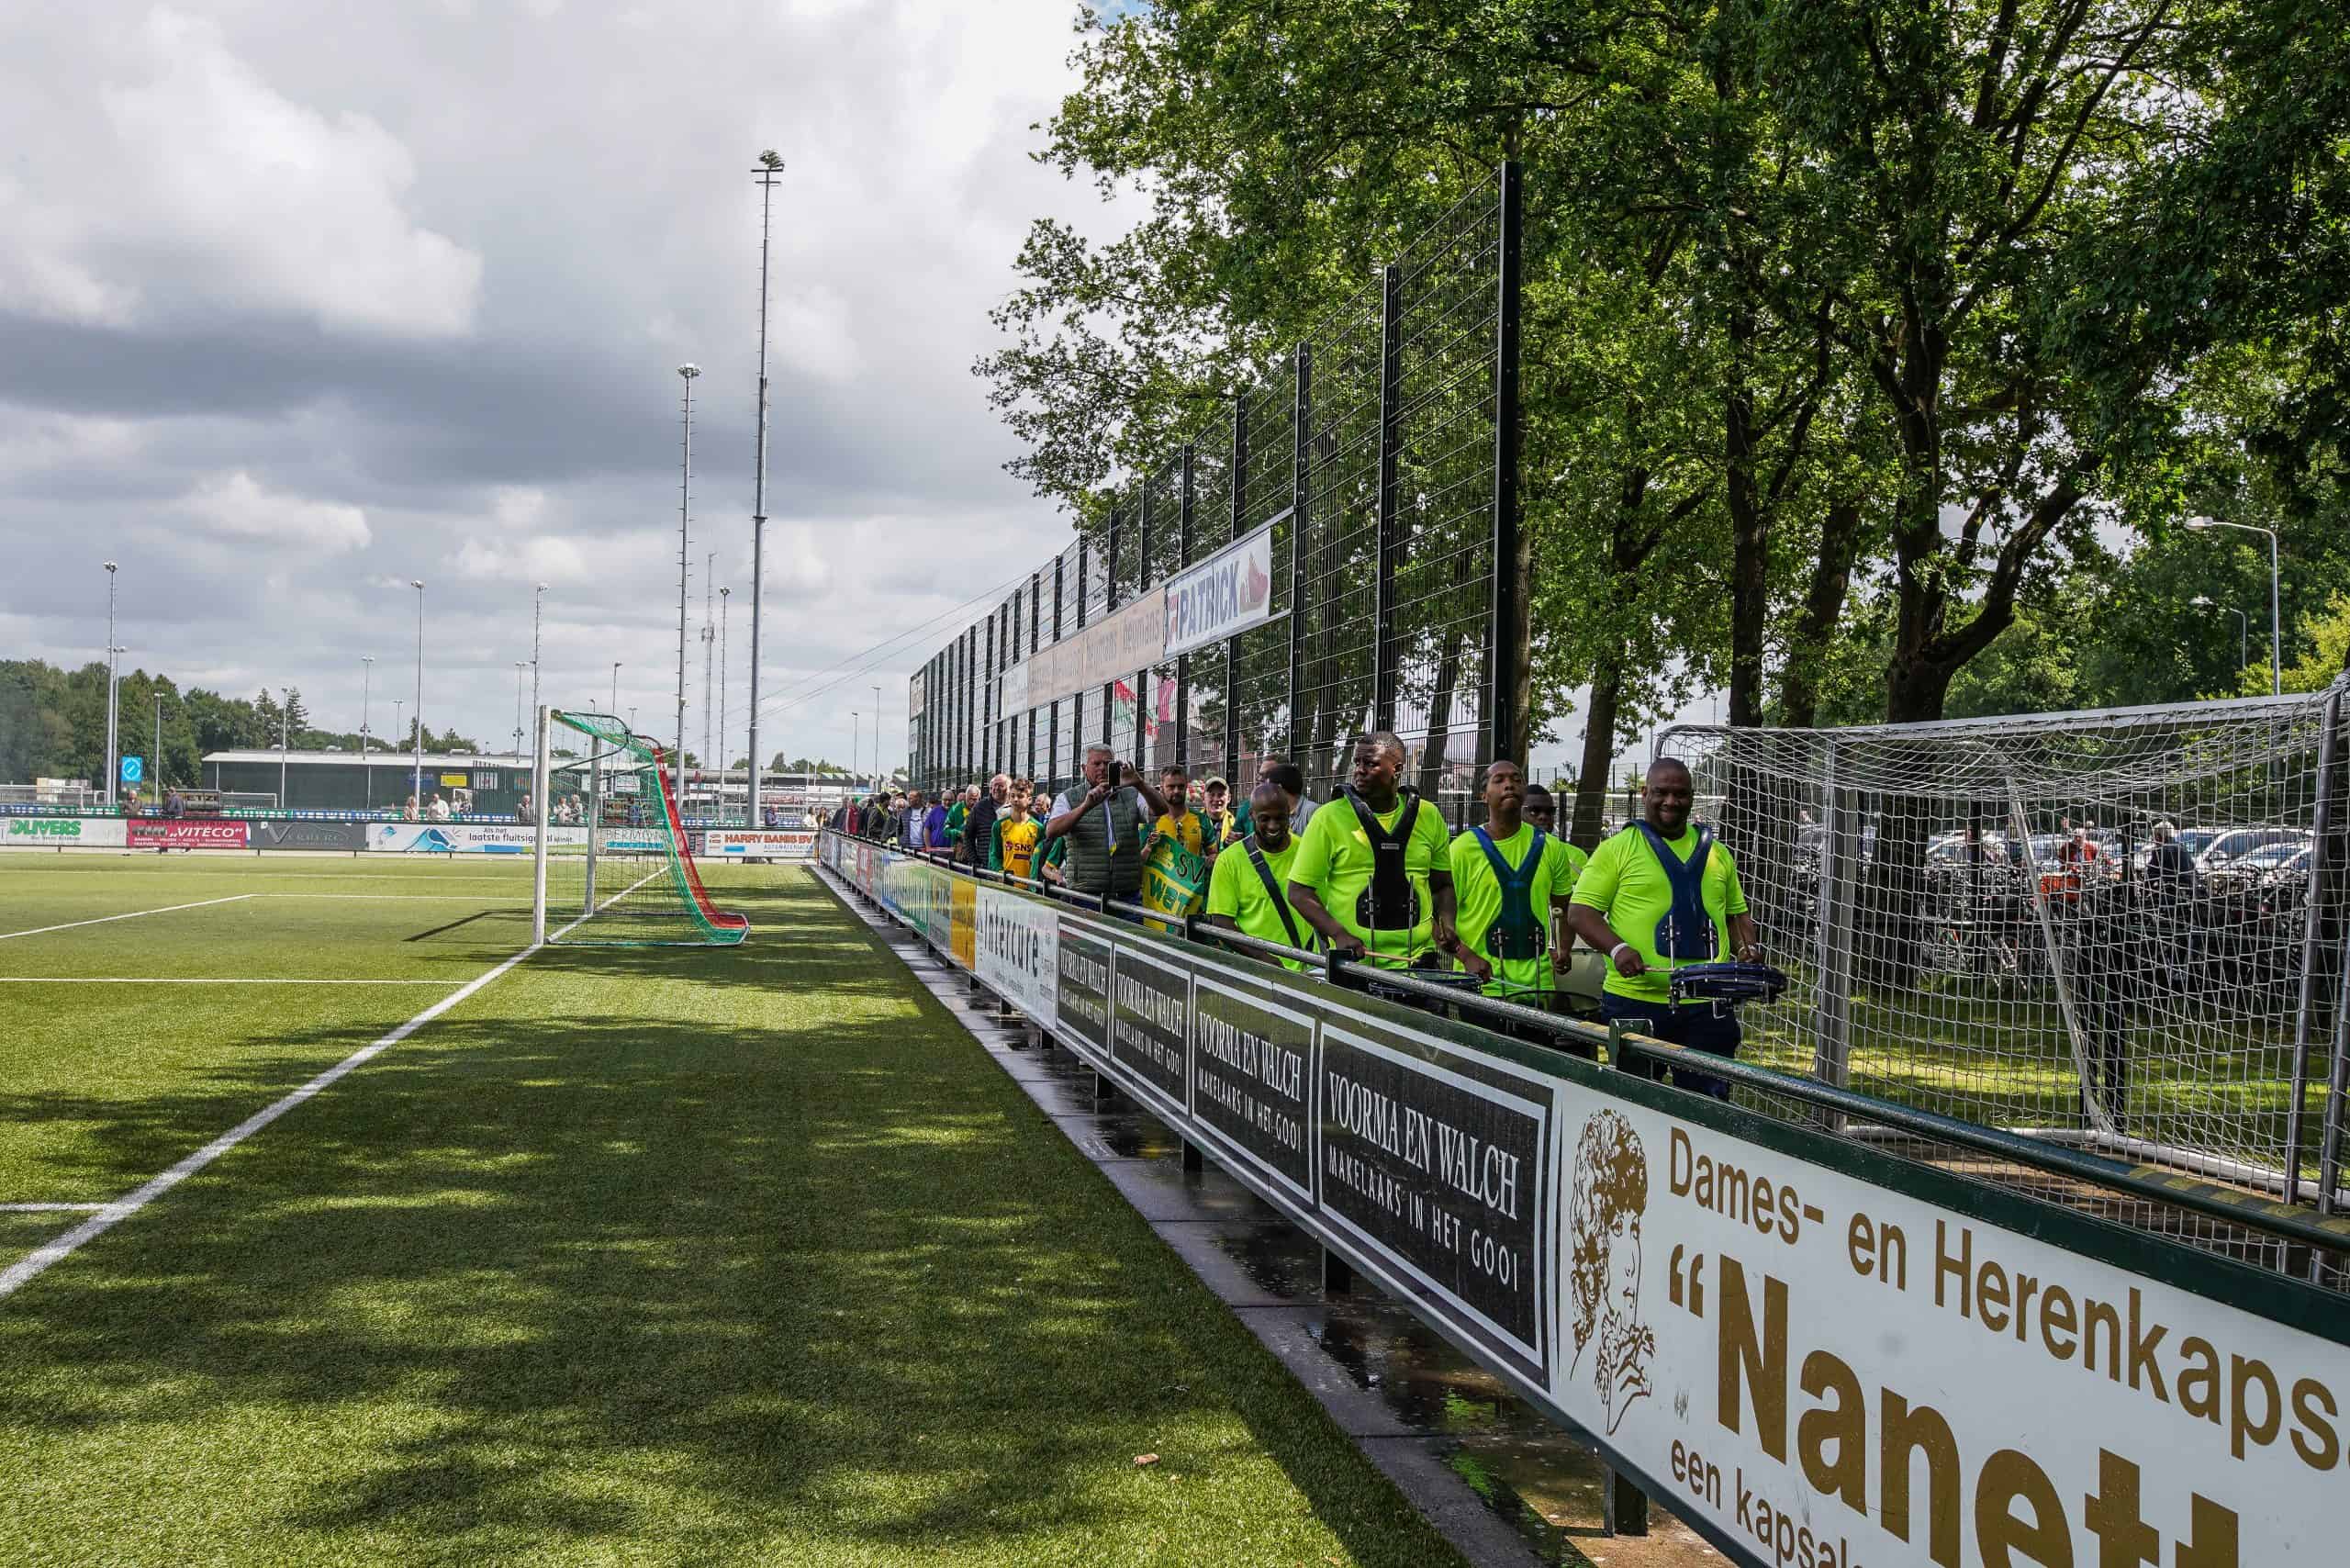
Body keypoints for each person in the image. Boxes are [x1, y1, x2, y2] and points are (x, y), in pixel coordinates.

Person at [1566, 757, 1758, 1099]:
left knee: (1706, 1107)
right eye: (1661, 792)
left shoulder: (1718, 854)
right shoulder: (1616, 849)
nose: (1671, 801)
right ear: (1645, 793)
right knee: (1633, 1105)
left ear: (1692, 797)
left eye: (1680, 794)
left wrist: (1746, 948)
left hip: (1708, 1005)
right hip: (1634, 1003)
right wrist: (1617, 948)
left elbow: (1735, 914)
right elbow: (1581, 913)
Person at [1287, 732, 1458, 969]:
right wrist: (1338, 934)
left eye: (1370, 763)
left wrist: (1447, 924)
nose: (1359, 770)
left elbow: (1442, 886)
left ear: (1397, 769)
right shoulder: (1329, 817)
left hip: (1418, 963)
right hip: (1355, 963)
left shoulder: (1428, 815)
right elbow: (1298, 892)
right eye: (1357, 762)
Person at [1444, 761, 1583, 1039]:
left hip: (1538, 989)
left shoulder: (1551, 847)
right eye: (1499, 780)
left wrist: (1564, 949)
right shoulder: (1461, 849)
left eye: (1516, 779)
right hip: (1482, 988)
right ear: (1483, 795)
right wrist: (1465, 955)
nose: (1509, 784)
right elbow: (1436, 917)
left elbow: (1565, 907)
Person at [1045, 744, 1172, 905]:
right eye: (1096, 763)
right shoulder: (1069, 797)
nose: (1102, 768)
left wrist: (1139, 783)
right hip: (1085, 894)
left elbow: (1161, 809)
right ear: (1084, 768)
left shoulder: (1131, 793)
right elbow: (1051, 831)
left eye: (1107, 763)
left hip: (1127, 894)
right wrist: (1085, 807)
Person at [1204, 781, 1313, 969]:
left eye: (1280, 818)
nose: (1273, 825)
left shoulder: (1307, 851)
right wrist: (1262, 958)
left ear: (1289, 813)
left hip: (1310, 971)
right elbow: (1221, 922)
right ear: (1251, 815)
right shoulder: (1229, 861)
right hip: (1258, 972)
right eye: (1264, 819)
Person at [1152, 766, 1207, 856]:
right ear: (1161, 788)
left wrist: (1211, 858)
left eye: (1181, 787)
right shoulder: (1150, 821)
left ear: (1186, 787)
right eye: (1171, 787)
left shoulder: (1202, 819)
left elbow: (1213, 853)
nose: (1176, 791)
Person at [1258, 756, 1315, 836]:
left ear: (1279, 788)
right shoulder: (1277, 813)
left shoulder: (1312, 812)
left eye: (1269, 787)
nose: (1267, 791)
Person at [992, 789, 1043, 879]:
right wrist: (999, 872)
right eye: (1012, 796)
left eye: (1020, 796)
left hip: (1030, 884)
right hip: (1006, 884)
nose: (1016, 799)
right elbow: (994, 856)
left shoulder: (1039, 828)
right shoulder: (999, 826)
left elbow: (1040, 859)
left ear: (1029, 799)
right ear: (1009, 799)